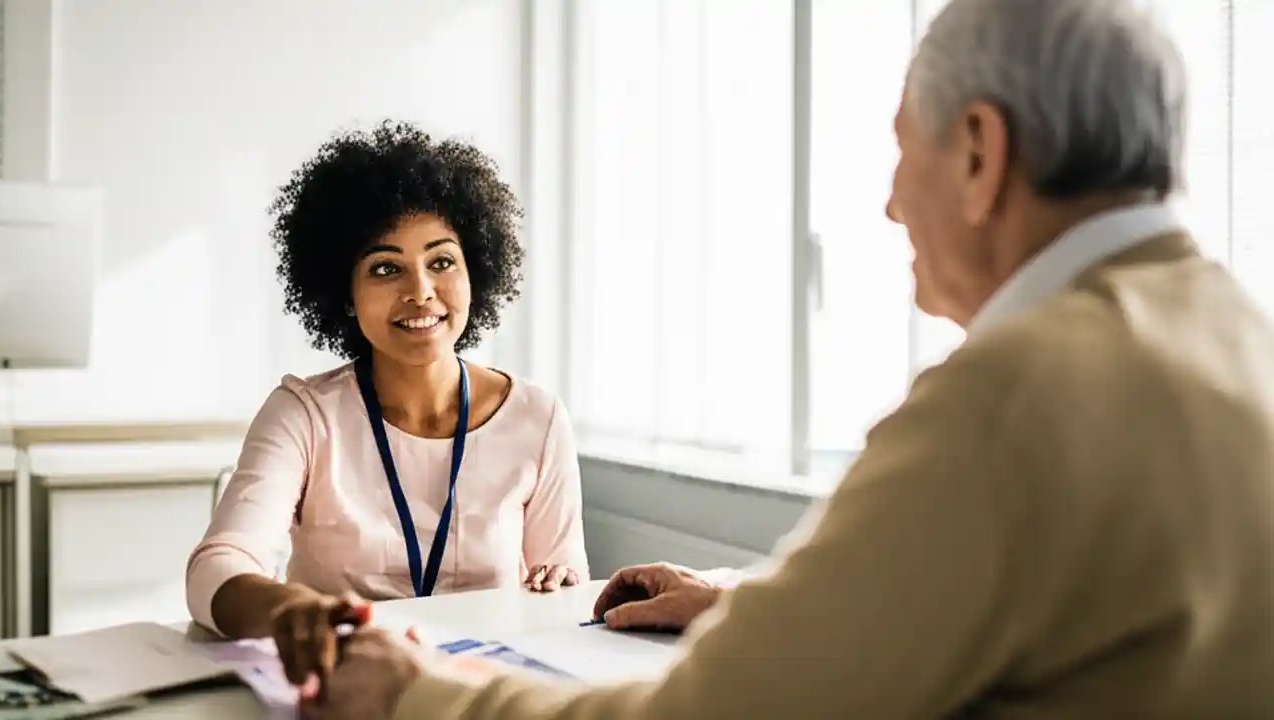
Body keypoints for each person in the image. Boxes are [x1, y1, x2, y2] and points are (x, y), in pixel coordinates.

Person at [307, 0, 1274, 717]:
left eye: (903, 154)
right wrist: (743, 598)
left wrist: (417, 696)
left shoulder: (1005, 400)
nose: (893, 206)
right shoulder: (1237, 339)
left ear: (979, 152)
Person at [185, 121, 589, 694]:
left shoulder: (538, 417)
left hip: (479, 694)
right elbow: (217, 567)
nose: (420, 290)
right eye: (385, 268)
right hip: (345, 690)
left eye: (442, 261)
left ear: (477, 267)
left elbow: (566, 591)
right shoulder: (302, 414)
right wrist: (288, 612)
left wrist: (562, 584)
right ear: (344, 295)